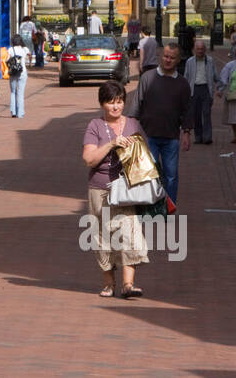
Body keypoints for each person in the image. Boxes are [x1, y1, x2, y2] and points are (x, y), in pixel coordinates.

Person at [82, 80, 147, 299]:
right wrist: (112, 144)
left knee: (130, 234)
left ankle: (128, 285)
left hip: (127, 190)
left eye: (119, 102)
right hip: (100, 189)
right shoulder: (95, 126)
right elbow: (89, 159)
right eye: (111, 103)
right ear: (102, 104)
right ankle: (109, 283)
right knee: (103, 237)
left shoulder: (133, 124)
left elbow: (144, 157)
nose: (116, 107)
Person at [125, 43, 192, 205]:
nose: (168, 60)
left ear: (178, 60)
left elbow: (187, 111)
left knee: (171, 176)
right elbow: (136, 106)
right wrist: (130, 131)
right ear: (161, 57)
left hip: (171, 137)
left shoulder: (183, 84)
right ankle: (150, 206)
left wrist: (187, 133)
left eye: (172, 57)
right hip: (149, 136)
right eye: (166, 56)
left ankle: (169, 207)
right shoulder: (148, 77)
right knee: (149, 174)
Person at [183, 39, 217, 145]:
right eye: (198, 49)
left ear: (205, 49)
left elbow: (216, 76)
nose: (200, 51)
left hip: (206, 88)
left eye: (202, 49)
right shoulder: (189, 62)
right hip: (194, 89)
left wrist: (220, 88)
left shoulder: (210, 61)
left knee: (206, 113)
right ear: (194, 50)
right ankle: (198, 137)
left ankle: (207, 137)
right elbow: (186, 77)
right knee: (196, 115)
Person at [7, 35, 31, 118]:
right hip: (22, 72)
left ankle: (13, 112)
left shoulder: (10, 50)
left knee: (13, 92)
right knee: (21, 93)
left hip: (13, 72)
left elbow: (7, 60)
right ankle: (20, 113)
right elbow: (29, 55)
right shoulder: (24, 49)